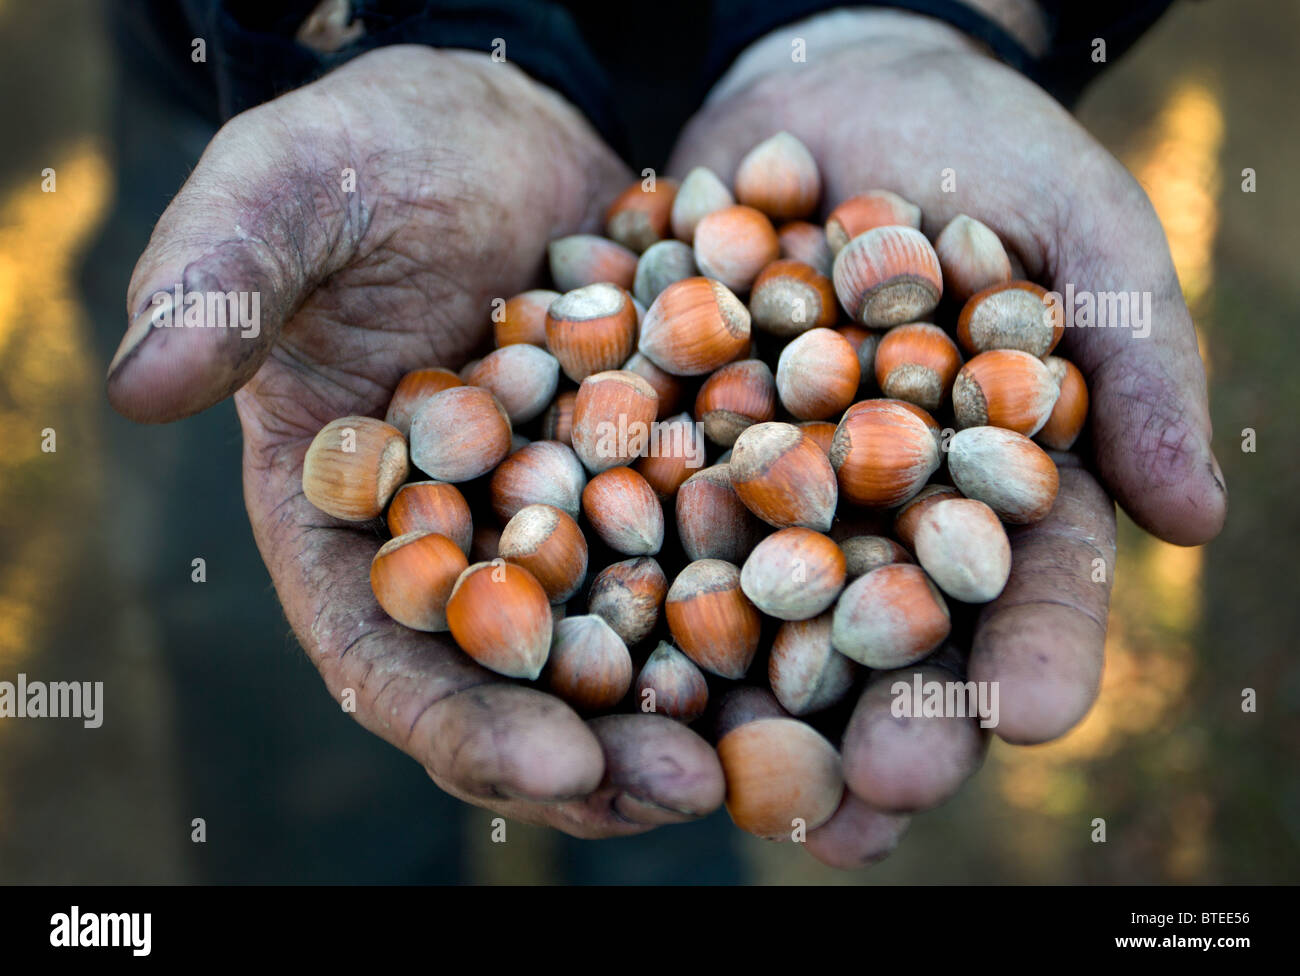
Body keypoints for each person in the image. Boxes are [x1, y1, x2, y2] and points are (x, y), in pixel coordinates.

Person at [105, 0, 1226, 870]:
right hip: (261, 83)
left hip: (733, 104)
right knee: (286, 706)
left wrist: (934, 12)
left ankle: (664, 840)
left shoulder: (734, 406)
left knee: (661, 779)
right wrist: (357, 29)